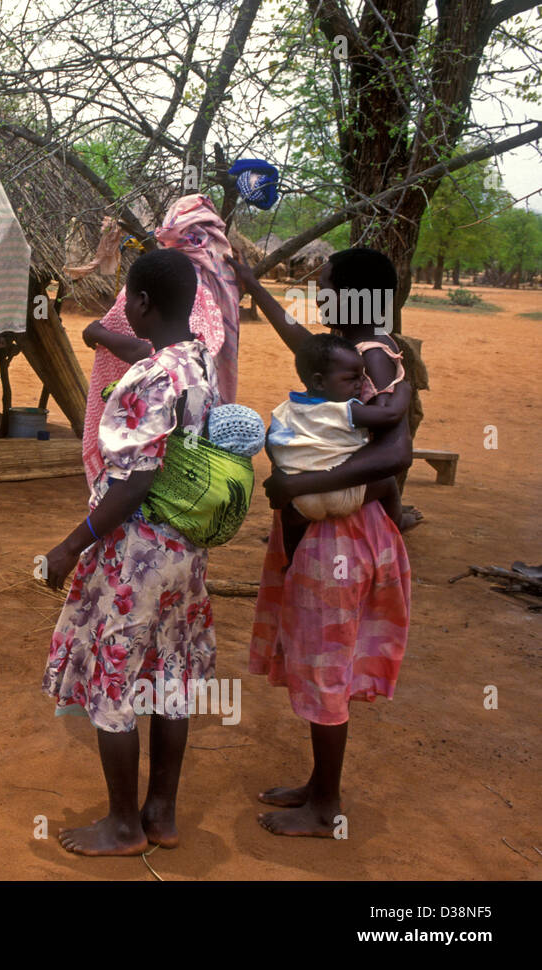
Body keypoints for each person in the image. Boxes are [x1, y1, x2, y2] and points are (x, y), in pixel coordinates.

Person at [227, 247, 413, 838]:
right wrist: (249, 281)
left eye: (326, 282)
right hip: (323, 534)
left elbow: (394, 454)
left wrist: (299, 484)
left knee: (327, 663)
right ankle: (318, 784)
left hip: (344, 537)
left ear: (353, 293)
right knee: (315, 657)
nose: (318, 290)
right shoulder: (347, 352)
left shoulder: (375, 357)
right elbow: (294, 335)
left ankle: (326, 804)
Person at [41, 248, 219, 856]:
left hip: (136, 554)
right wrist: (103, 336)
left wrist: (69, 546)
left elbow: (136, 479)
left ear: (142, 303)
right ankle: (161, 816)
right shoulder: (198, 364)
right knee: (169, 680)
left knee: (113, 687)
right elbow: (148, 357)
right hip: (185, 554)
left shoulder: (151, 378)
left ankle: (122, 826)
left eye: (127, 300)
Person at [268, 332, 404, 530]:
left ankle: (290, 558)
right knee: (387, 482)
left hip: (300, 500)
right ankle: (399, 521)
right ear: (319, 382)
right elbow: (390, 414)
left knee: (289, 521)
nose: (361, 384)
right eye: (352, 379)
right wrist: (403, 390)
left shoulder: (287, 409)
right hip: (340, 493)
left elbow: (271, 443)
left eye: (362, 377)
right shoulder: (345, 411)